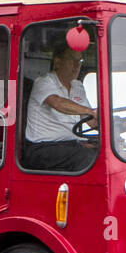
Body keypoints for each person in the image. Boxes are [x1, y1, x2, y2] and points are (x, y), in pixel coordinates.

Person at [23, 41, 97, 171]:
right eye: (72, 60)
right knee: (86, 158)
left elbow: (91, 120)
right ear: (57, 62)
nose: (76, 66)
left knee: (102, 153)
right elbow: (58, 103)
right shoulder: (43, 82)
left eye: (79, 61)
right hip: (42, 149)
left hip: (70, 145)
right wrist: (89, 111)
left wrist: (119, 125)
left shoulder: (78, 86)